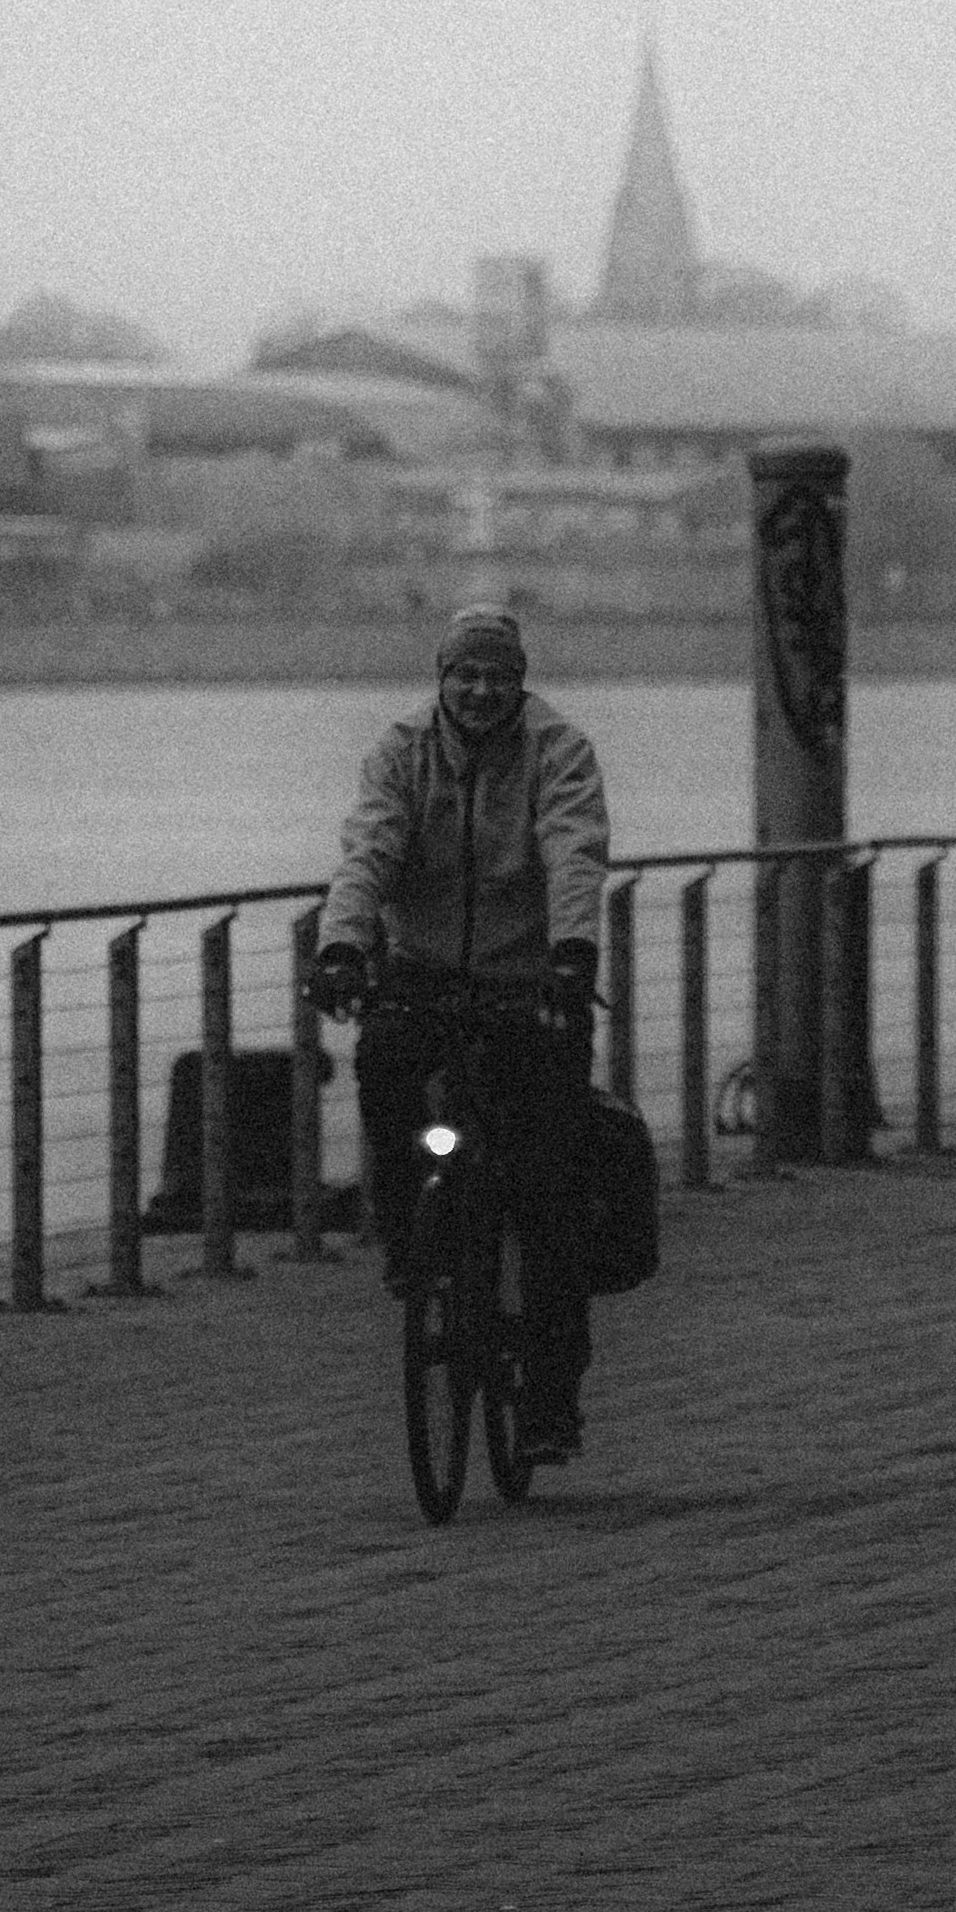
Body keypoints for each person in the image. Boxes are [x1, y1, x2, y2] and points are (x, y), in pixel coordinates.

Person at [320, 606, 610, 1453]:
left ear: (519, 681)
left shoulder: (559, 750)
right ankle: (405, 1228)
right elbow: (367, 851)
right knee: (384, 1064)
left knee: (548, 1198)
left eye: (497, 677)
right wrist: (341, 944)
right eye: (464, 675)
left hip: (531, 983)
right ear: (440, 677)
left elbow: (573, 851)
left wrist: (572, 955)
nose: (480, 691)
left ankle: (552, 1400)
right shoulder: (401, 752)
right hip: (423, 976)